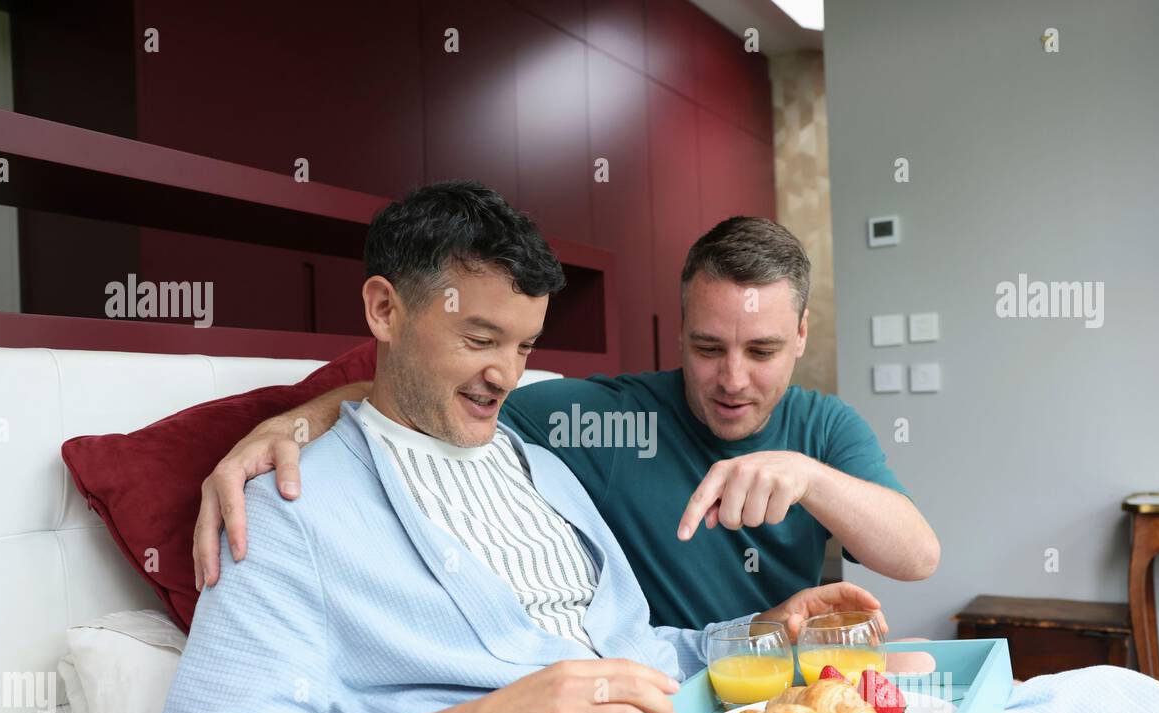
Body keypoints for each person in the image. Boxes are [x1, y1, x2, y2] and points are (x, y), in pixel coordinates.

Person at [152, 181, 1159, 713]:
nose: (505, 377)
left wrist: (766, 635)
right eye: (479, 337)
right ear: (384, 309)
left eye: (526, 347)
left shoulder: (538, 462)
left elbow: (640, 654)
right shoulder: (294, 508)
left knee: (1082, 707)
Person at [191, 216, 940, 630]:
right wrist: (295, 423)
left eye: (763, 350)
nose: (734, 379)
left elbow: (916, 556)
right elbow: (419, 394)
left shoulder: (823, 428)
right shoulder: (602, 417)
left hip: (781, 666)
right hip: (679, 687)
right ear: (678, 331)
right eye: (708, 348)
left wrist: (806, 477)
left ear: (803, 334)